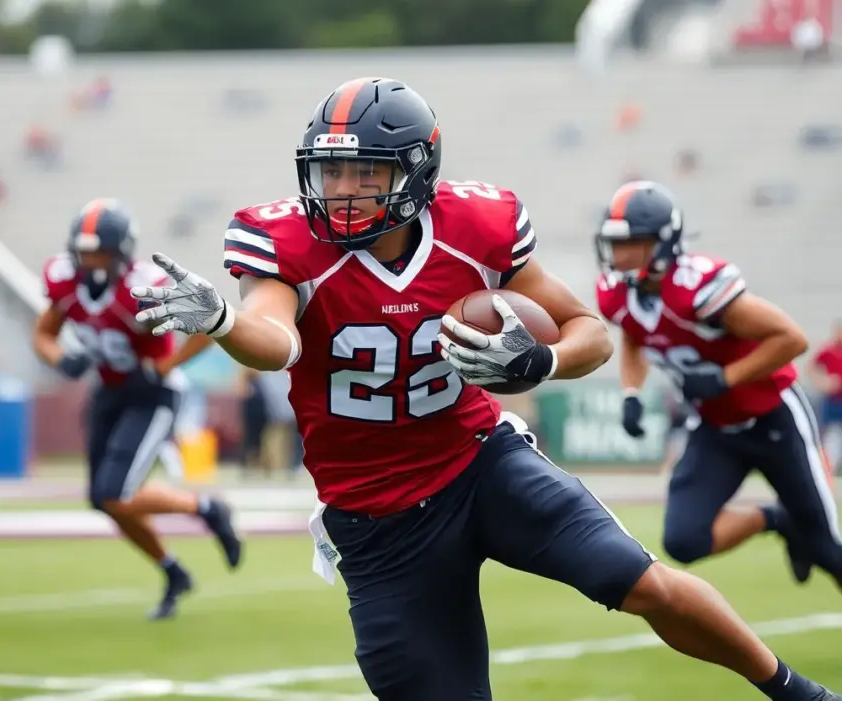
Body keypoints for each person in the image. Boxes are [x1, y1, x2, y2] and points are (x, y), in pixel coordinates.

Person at [132, 78, 840, 700]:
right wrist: (223, 321)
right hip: (375, 515)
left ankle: (796, 691)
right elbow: (275, 339)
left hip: (481, 462)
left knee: (640, 578)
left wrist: (539, 364)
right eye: (332, 171)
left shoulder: (477, 227)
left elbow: (586, 328)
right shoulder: (286, 242)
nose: (340, 190)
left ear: (415, 172)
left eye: (361, 172)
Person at [594, 181, 841, 589]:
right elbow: (634, 333)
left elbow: (791, 338)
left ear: (662, 242)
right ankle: (775, 519)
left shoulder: (696, 288)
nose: (617, 256)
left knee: (826, 547)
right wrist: (631, 393)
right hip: (715, 428)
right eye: (614, 243)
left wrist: (726, 377)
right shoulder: (617, 293)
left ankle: (801, 528)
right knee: (684, 539)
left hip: (773, 417)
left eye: (630, 243)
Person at [32, 198, 241, 619]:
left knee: (116, 492)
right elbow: (44, 334)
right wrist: (59, 358)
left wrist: (165, 364)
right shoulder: (64, 282)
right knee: (103, 499)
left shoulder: (139, 288)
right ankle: (172, 569)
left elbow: (207, 322)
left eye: (100, 251)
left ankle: (207, 509)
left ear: (121, 252)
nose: (91, 260)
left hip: (153, 393)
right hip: (110, 392)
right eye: (85, 251)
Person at [810, 322, 842, 473]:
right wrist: (824, 382)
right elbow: (812, 367)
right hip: (834, 401)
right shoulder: (829, 351)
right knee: (832, 435)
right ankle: (830, 469)